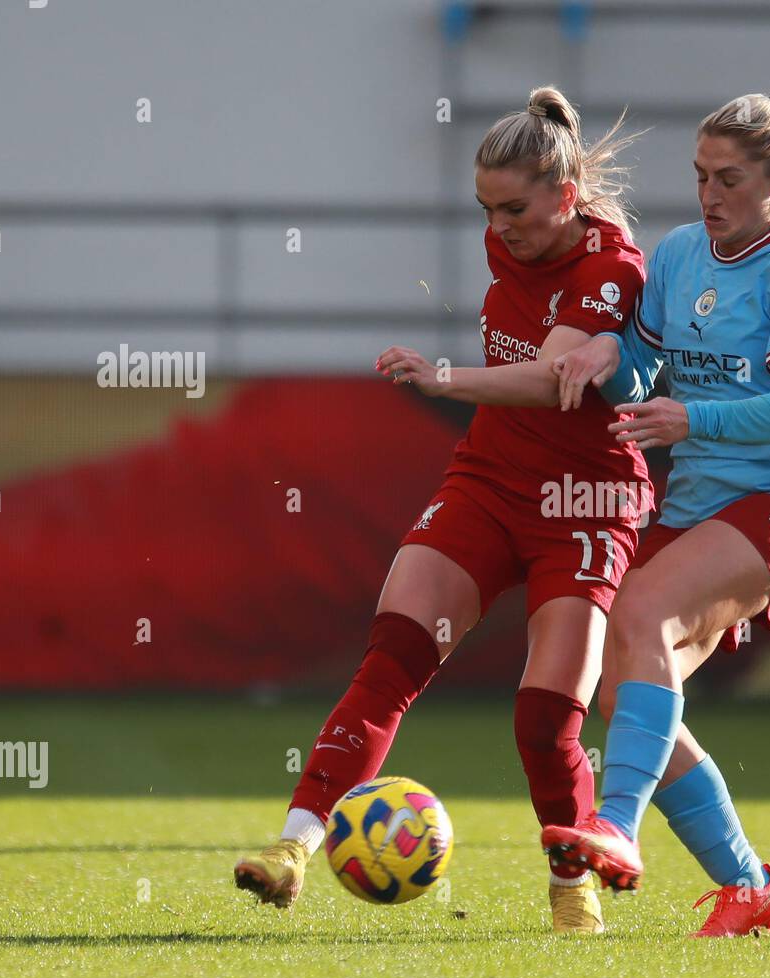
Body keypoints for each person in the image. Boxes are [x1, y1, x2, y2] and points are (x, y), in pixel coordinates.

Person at [235, 87, 653, 933]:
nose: (499, 226)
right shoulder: (516, 239)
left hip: (586, 503)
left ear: (566, 195)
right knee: (392, 653)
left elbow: (552, 378)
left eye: (516, 207)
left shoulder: (612, 267)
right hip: (490, 481)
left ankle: (570, 880)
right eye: (486, 208)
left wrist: (445, 377)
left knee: (545, 716)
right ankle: (294, 846)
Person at [542, 85, 770, 937]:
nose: (709, 195)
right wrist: (608, 350)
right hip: (695, 505)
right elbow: (639, 366)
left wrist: (694, 417)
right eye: (701, 176)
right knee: (632, 680)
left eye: (730, 179)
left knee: (639, 613)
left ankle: (616, 826)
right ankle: (749, 886)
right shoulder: (677, 255)